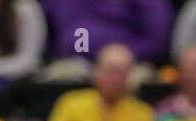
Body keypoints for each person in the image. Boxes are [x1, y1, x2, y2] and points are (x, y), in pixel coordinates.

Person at [41, 0, 173, 69]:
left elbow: (157, 39)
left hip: (130, 64)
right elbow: (41, 21)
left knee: (129, 76)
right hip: (72, 63)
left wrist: (124, 54)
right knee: (61, 76)